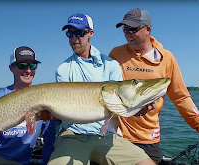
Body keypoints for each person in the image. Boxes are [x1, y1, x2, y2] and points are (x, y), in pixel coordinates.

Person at [48, 13, 155, 165]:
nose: (73, 38)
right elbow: (64, 114)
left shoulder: (111, 65)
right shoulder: (63, 70)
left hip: (106, 137)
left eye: (79, 33)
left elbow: (119, 105)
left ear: (90, 33)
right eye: (69, 34)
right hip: (73, 135)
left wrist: (139, 110)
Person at [109, 8, 199, 164]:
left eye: (132, 29)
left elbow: (181, 98)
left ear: (148, 29)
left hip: (147, 138)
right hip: (117, 135)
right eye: (125, 29)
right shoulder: (116, 54)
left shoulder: (167, 59)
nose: (127, 34)